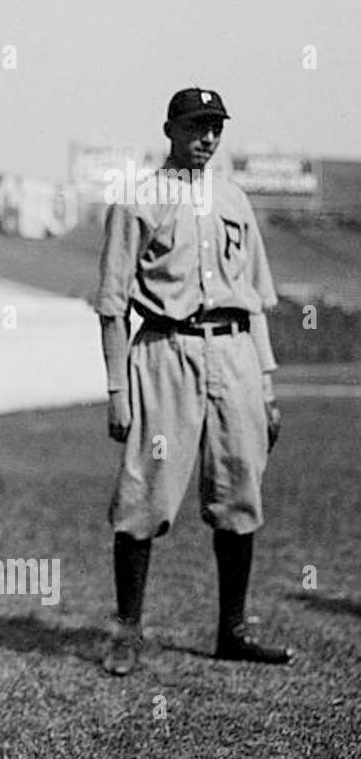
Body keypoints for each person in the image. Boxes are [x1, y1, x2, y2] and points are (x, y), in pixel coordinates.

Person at [95, 86, 292, 677]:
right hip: (165, 350)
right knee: (144, 494)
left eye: (215, 127)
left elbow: (254, 298)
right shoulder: (137, 200)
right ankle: (127, 630)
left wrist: (267, 383)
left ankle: (232, 629)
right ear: (169, 129)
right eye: (195, 126)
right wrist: (116, 389)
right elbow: (111, 304)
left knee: (239, 491)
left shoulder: (233, 196)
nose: (206, 137)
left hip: (234, 353)